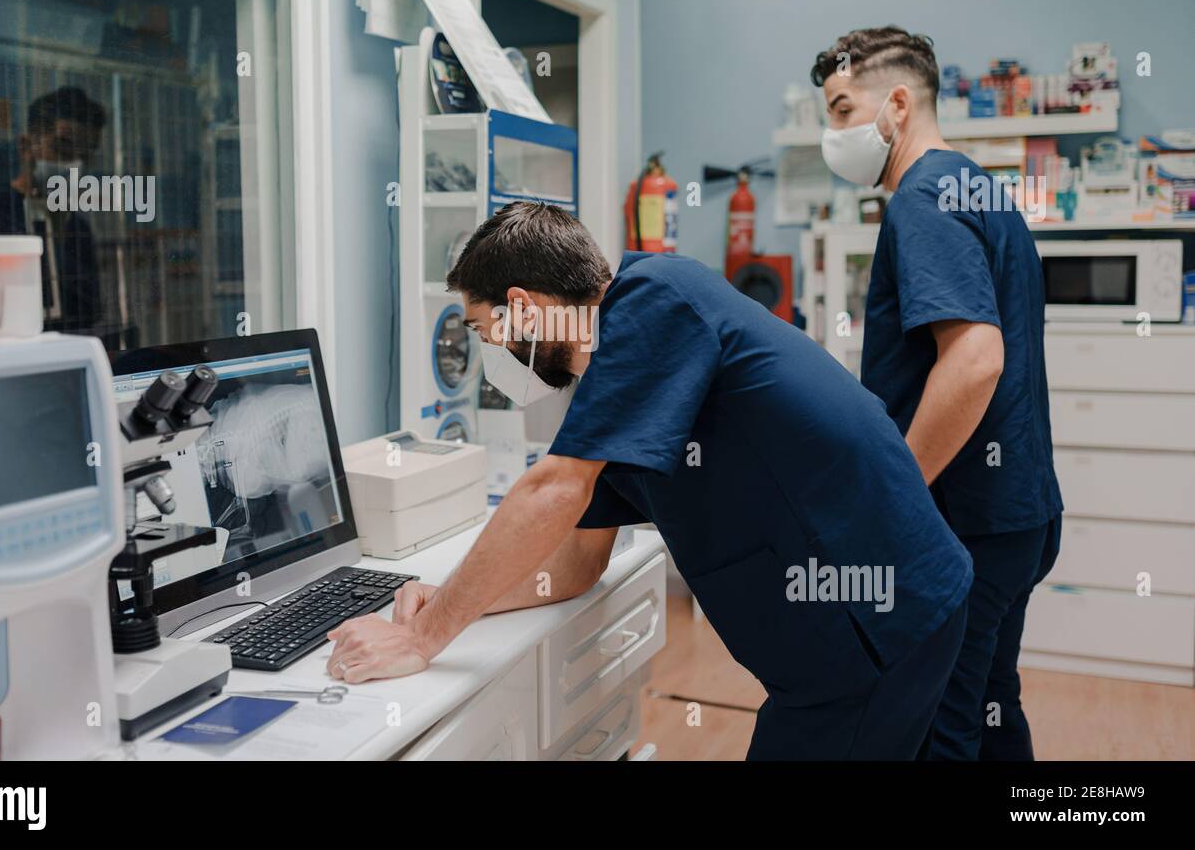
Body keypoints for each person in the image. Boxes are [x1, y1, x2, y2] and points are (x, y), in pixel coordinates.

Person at [327, 200, 974, 760]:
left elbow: (554, 487)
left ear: (521, 309)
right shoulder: (619, 373)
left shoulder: (653, 298)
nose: (486, 354)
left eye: (481, 330)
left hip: (875, 630)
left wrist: (424, 635)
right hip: (872, 623)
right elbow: (576, 559)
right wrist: (450, 595)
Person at [810, 27, 1062, 760]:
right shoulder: (980, 186)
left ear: (896, 103)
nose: (834, 131)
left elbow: (976, 358)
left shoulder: (921, 200)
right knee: (989, 702)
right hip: (1020, 513)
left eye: (841, 108)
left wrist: (900, 492)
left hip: (966, 522)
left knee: (937, 731)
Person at [0, 85, 104, 335]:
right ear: (26, 147)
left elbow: (87, 316)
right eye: (63, 146)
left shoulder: (78, 229)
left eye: (86, 154)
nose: (74, 163)